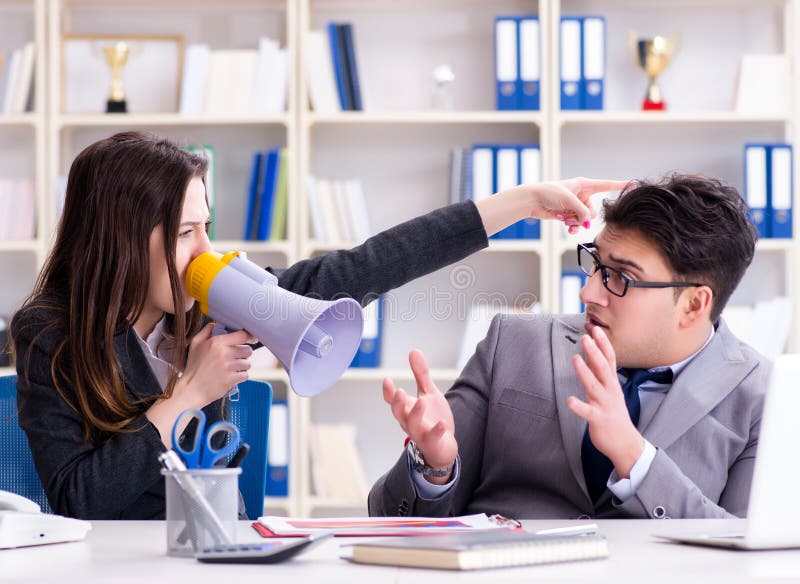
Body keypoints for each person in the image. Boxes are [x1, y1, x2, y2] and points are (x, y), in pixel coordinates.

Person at [11, 130, 624, 520]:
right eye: (185, 233)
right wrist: (187, 394)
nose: (206, 252)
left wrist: (523, 202)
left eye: (207, 226)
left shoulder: (216, 300)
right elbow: (78, 498)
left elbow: (373, 263)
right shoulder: (48, 333)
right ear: (119, 241)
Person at [369, 173, 769, 520]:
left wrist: (635, 458)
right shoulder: (513, 343)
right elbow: (388, 517)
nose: (588, 292)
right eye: (596, 264)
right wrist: (434, 468)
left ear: (694, 305)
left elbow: (749, 551)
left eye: (621, 277)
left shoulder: (764, 397)